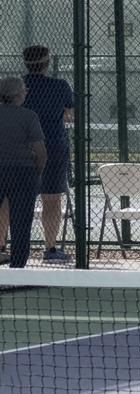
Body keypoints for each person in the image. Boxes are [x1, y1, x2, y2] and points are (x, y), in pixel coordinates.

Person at [17, 45, 74, 264]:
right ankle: (50, 249)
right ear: (47, 63)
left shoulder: (16, 87)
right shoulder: (60, 86)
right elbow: (72, 114)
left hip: (19, 150)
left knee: (9, 200)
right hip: (52, 148)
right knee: (51, 199)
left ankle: (3, 246)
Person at [0, 76, 48, 269]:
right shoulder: (29, 116)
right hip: (23, 172)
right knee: (21, 222)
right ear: (19, 94)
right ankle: (18, 268)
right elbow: (41, 152)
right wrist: (36, 172)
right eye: (24, 90)